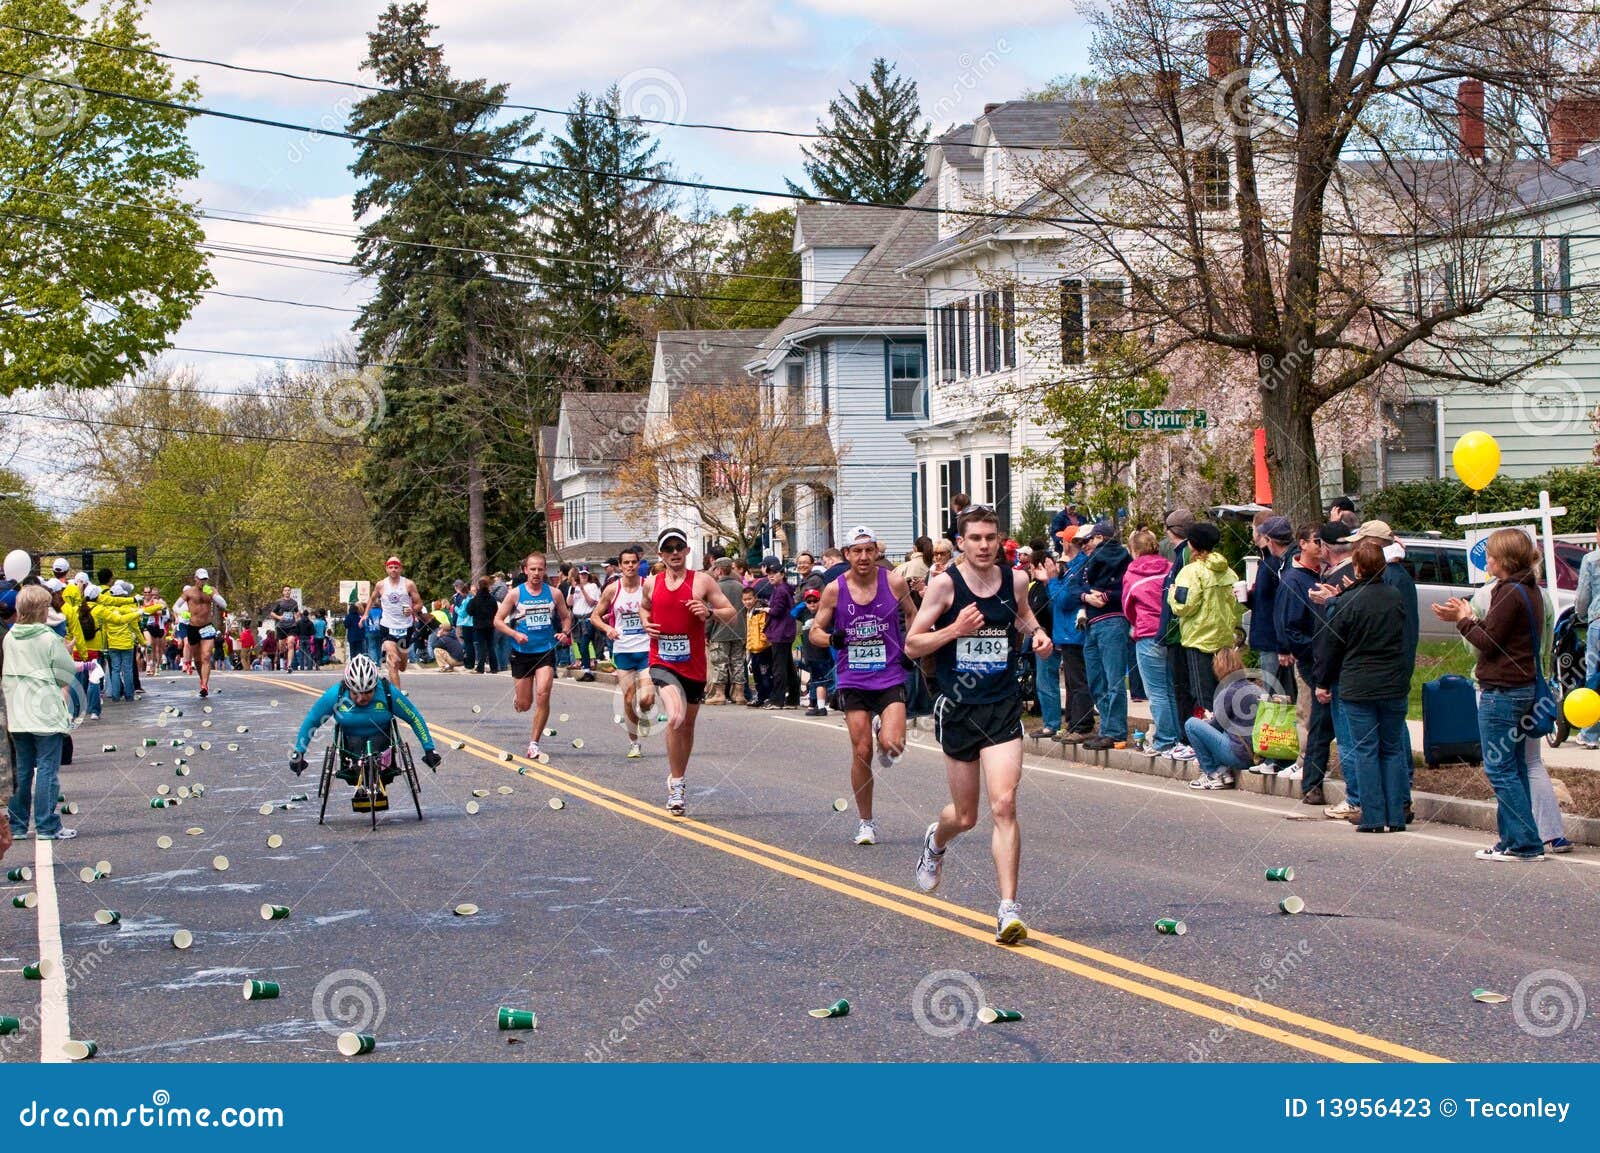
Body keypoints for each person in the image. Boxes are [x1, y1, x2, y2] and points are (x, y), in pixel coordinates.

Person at [906, 505, 1053, 945]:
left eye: (991, 537)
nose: (984, 545)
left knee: (1004, 804)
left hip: (1003, 706)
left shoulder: (1016, 580)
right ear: (962, 543)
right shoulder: (945, 585)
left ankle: (1008, 908)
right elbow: (914, 644)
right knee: (967, 816)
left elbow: (1024, 618)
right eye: (975, 539)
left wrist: (1038, 636)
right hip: (958, 708)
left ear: (998, 539)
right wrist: (954, 631)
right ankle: (936, 840)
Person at [1433, 528, 1547, 861]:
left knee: (1500, 769)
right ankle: (1511, 839)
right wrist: (1466, 617)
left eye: (1493, 554)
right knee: (1515, 768)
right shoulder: (1529, 590)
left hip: (1503, 691)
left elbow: (1489, 642)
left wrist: (1465, 619)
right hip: (1523, 687)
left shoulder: (1508, 592)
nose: (1488, 559)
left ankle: (1525, 843)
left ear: (1505, 560)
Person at [808, 526, 916, 845]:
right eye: (857, 551)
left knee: (892, 745)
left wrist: (911, 646)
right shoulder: (834, 589)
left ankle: (885, 726)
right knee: (862, 751)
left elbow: (914, 615)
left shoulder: (894, 581)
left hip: (890, 674)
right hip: (854, 678)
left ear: (876, 552)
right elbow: (813, 631)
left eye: (869, 550)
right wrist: (832, 638)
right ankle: (865, 822)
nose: (864, 557)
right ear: (847, 555)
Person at [639, 526, 738, 816]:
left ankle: (677, 776)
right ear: (660, 554)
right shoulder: (652, 583)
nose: (674, 553)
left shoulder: (702, 581)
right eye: (668, 549)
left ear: (687, 551)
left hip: (693, 664)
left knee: (687, 726)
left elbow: (731, 612)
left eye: (678, 548)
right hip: (662, 661)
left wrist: (709, 613)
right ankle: (678, 786)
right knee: (676, 717)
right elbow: (644, 608)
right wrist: (646, 622)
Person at [1315, 538, 1410, 832]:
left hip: (1358, 682)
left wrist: (1323, 681)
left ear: (1356, 568)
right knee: (1392, 749)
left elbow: (1333, 646)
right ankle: (1395, 815)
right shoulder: (1394, 597)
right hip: (1392, 681)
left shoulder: (1347, 602)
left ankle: (1372, 814)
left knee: (1365, 749)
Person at [290, 654, 441, 812]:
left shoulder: (388, 692)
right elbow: (312, 721)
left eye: (368, 692)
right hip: (350, 746)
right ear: (348, 687)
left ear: (375, 686)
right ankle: (361, 775)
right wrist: (298, 753)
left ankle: (375, 777)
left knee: (376, 743)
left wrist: (429, 749)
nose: (362, 698)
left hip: (383, 742)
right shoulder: (336, 695)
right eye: (356, 693)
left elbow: (414, 717)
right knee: (355, 743)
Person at [4, 586, 80, 841]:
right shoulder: (48, 639)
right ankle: (47, 826)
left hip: (17, 712)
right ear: (41, 610)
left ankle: (17, 825)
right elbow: (66, 672)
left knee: (23, 770)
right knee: (47, 768)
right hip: (44, 712)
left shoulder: (10, 638)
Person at [495, 552, 574, 762]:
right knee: (525, 704)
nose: (537, 573)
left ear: (544, 570)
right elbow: (498, 620)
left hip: (545, 651)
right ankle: (519, 699)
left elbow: (566, 617)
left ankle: (534, 743)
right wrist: (514, 634)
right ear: (525, 570)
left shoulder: (555, 593)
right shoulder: (515, 594)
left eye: (540, 569)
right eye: (533, 569)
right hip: (521, 653)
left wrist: (564, 632)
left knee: (543, 693)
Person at [1275, 524, 1332, 802]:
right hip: (1311, 662)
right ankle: (1307, 770)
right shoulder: (1294, 580)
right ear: (1302, 544)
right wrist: (1314, 651)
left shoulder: (1323, 573)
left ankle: (1315, 771)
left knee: (1322, 721)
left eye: (1324, 542)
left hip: (1327, 661)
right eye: (1316, 542)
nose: (1322, 547)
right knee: (1310, 716)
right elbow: (1290, 627)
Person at [1167, 522, 1240, 714]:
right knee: (1224, 691)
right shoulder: (1227, 571)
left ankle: (1206, 737)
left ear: (1192, 544)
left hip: (1198, 639)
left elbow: (1184, 606)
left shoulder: (1190, 572)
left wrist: (1171, 594)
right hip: (1223, 639)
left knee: (1201, 694)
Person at [1075, 521, 1132, 751]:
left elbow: (1126, 590)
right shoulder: (1087, 563)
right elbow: (1073, 587)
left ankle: (1115, 731)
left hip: (1112, 620)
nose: (1086, 544)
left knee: (1112, 679)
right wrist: (1085, 597)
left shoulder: (1121, 559)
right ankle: (1107, 728)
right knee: (1097, 680)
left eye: (1089, 539)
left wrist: (1105, 596)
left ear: (1100, 538)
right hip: (1092, 623)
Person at [595, 545, 654, 757]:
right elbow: (594, 616)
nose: (630, 566)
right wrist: (608, 628)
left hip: (646, 648)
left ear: (639, 564)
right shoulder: (613, 589)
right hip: (623, 650)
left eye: (634, 562)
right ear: (620, 566)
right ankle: (634, 743)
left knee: (646, 699)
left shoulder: (648, 586)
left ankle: (645, 714)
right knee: (628, 699)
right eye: (626, 563)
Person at [1124, 529, 1179, 754]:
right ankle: (1178, 737)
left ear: (1134, 549)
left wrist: (1136, 623)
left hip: (1147, 633)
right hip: (1170, 632)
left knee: (1155, 691)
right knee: (1171, 689)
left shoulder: (1132, 573)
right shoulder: (1169, 567)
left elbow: (1127, 606)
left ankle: (1165, 739)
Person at [1183, 648, 1263, 790]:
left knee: (1191, 725)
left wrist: (1207, 720)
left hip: (1239, 755)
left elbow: (1215, 726)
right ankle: (1223, 772)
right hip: (1256, 754)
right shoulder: (1255, 688)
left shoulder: (1228, 691)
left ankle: (1212, 773)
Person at [1048, 525, 1097, 738]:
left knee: (1078, 680)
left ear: (1070, 542)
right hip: (1066, 631)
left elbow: (1065, 599)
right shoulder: (1071, 567)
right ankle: (1072, 724)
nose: (1060, 543)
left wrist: (1051, 580)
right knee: (1070, 681)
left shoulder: (1078, 567)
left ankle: (1083, 725)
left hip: (1074, 631)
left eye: (1063, 540)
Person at [1246, 516, 1295, 695]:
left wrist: (1283, 644)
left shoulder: (1275, 563)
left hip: (1272, 637)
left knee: (1276, 691)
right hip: (1267, 633)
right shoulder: (1267, 560)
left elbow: (1281, 603)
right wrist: (1248, 598)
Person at [360, 557, 424, 690]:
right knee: (392, 660)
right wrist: (365, 615)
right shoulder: (381, 585)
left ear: (400, 569)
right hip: (387, 626)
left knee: (402, 665)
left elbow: (419, 604)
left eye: (396, 567)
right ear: (386, 569)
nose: (393, 570)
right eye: (391, 567)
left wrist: (412, 610)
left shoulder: (408, 584)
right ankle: (397, 695)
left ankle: (403, 660)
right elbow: (371, 600)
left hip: (405, 627)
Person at [1158, 509, 1196, 724]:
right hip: (1177, 629)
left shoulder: (1184, 555)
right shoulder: (1181, 553)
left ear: (1171, 531)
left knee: (1183, 686)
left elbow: (1181, 595)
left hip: (1179, 630)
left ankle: (1186, 735)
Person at [1025, 551, 1060, 738]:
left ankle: (1055, 723)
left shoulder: (1053, 583)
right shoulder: (1033, 587)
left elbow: (1056, 606)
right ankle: (1050, 722)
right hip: (1040, 637)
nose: (1030, 570)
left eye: (1032, 566)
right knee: (1043, 682)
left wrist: (1048, 581)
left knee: (1051, 682)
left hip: (1057, 637)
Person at [706, 557, 747, 705]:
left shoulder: (716, 588)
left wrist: (706, 632)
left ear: (720, 570)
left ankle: (719, 694)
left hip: (720, 632)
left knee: (720, 663)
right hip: (740, 630)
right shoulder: (741, 586)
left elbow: (710, 613)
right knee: (738, 662)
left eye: (715, 569)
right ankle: (739, 694)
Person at [762, 556, 798, 709]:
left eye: (774, 573)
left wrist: (765, 609)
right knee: (788, 666)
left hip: (780, 632)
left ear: (782, 574)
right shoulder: (783, 588)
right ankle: (793, 698)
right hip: (785, 631)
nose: (771, 575)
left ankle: (778, 700)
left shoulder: (781, 590)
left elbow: (777, 611)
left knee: (779, 667)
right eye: (769, 573)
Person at [183, 571, 224, 698]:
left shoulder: (211, 590)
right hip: (193, 627)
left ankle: (204, 685)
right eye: (200, 579)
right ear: (195, 578)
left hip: (207, 626)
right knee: (198, 659)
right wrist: (183, 614)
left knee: (206, 656)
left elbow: (224, 604)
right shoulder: (189, 592)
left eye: (205, 579)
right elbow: (175, 606)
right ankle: (202, 679)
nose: (202, 582)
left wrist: (213, 595)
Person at [569, 567, 602, 681]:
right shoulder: (573, 587)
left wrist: (583, 590)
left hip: (587, 618)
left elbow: (592, 602)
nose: (583, 576)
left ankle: (587, 669)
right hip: (576, 619)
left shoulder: (592, 586)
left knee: (584, 643)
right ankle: (586, 668)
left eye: (585, 574)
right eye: (581, 574)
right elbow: (569, 603)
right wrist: (573, 590)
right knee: (578, 644)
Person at [743, 588, 772, 707]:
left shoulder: (760, 611)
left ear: (755, 598)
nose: (747, 602)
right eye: (745, 599)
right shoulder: (748, 612)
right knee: (756, 675)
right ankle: (760, 696)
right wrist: (748, 647)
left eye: (750, 599)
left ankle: (768, 697)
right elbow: (750, 632)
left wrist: (765, 641)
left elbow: (764, 628)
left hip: (764, 648)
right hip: (753, 648)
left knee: (766, 674)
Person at [466, 577, 500, 674]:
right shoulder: (492, 599)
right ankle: (494, 667)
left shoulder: (475, 600)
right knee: (491, 646)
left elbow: (469, 611)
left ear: (478, 587)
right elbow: (495, 610)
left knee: (481, 646)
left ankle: (480, 667)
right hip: (490, 625)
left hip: (479, 625)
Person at [268, 586, 300, 673]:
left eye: (288, 590)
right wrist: (279, 617)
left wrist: (297, 618)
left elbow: (297, 612)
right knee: (281, 646)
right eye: (285, 590)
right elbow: (272, 613)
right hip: (281, 626)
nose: (287, 592)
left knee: (290, 643)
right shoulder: (279, 602)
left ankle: (289, 666)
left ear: (290, 592)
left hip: (291, 626)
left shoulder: (294, 602)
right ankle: (282, 656)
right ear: (283, 592)